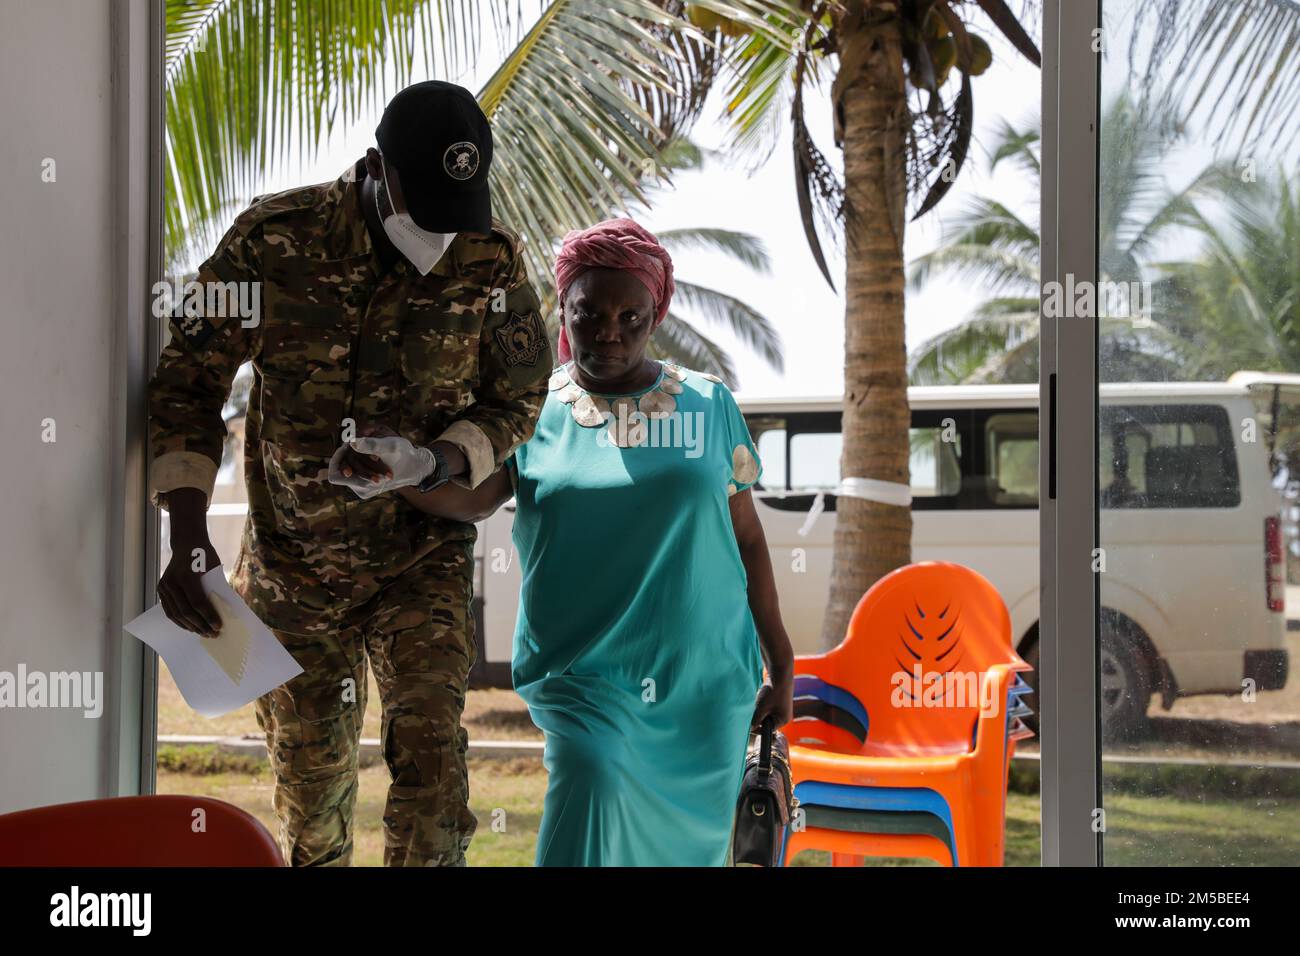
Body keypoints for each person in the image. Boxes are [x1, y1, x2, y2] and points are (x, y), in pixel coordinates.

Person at [148, 80, 552, 867]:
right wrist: (187, 535)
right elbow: (187, 380)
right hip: (294, 568)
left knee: (435, 771)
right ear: (377, 168)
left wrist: (435, 459)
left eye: (456, 209)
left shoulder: (488, 259)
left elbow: (520, 396)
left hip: (420, 558)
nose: (441, 235)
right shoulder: (273, 242)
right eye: (425, 203)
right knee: (315, 800)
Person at [374, 218, 795, 865]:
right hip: (585, 678)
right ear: (562, 311)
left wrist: (783, 663)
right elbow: (473, 499)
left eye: (631, 315)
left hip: (703, 682)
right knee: (589, 782)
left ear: (657, 314)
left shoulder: (710, 407)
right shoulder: (532, 411)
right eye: (588, 312)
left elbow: (750, 541)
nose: (609, 331)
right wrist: (402, 473)